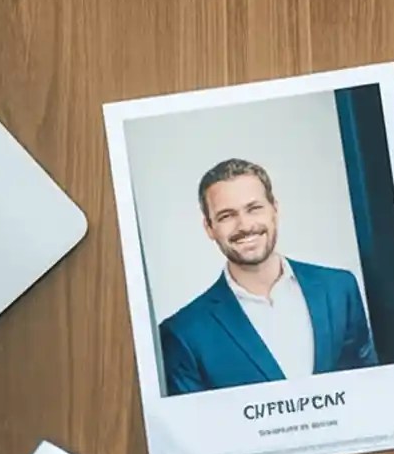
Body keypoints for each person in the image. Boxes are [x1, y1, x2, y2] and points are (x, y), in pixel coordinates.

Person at [158, 159, 378, 396]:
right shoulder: (183, 333)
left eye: (254, 208)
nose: (245, 225)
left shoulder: (339, 289)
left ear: (275, 209)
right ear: (209, 228)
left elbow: (367, 388)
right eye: (226, 216)